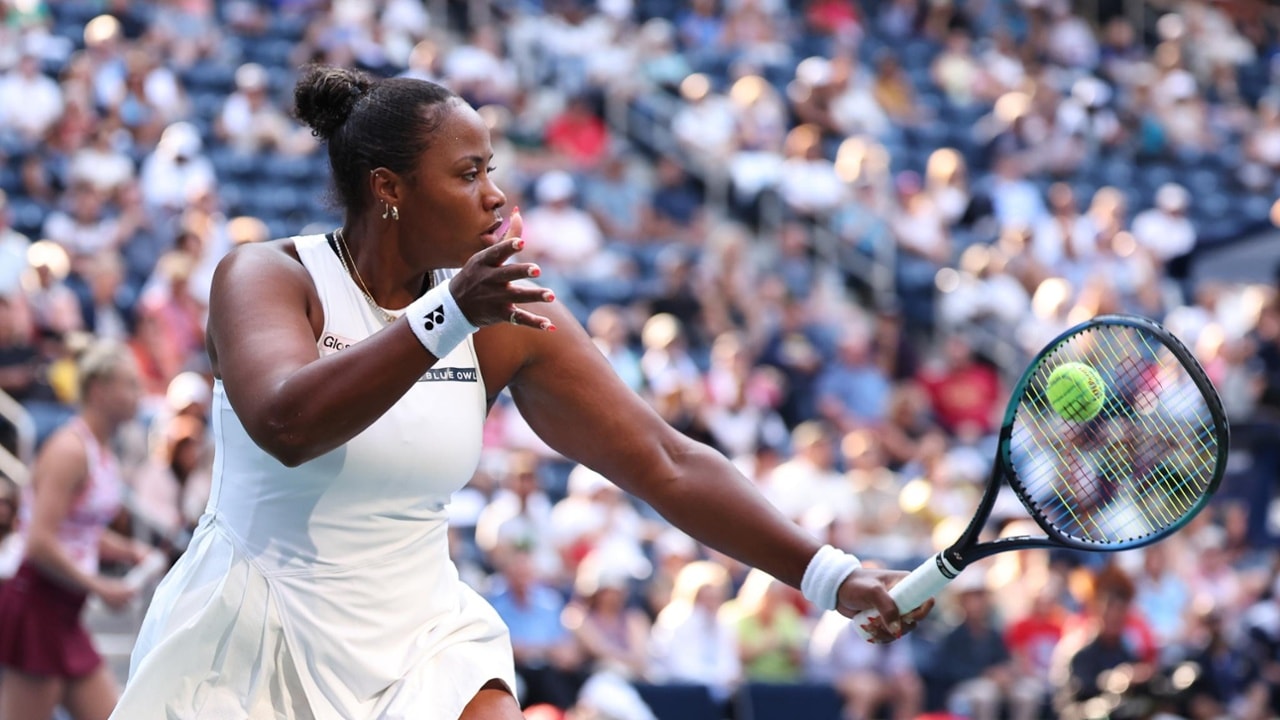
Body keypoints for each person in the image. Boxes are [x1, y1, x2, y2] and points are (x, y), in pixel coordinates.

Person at [110, 65, 931, 720]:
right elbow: (285, 422)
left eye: (491, 170)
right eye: (467, 174)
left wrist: (830, 576)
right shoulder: (268, 274)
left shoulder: (500, 313)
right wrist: (446, 316)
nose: (495, 195)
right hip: (257, 626)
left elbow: (665, 460)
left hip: (422, 636)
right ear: (389, 188)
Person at [0, 340, 152, 720]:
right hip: (37, 605)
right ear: (99, 391)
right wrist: (101, 586)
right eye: (129, 384)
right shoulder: (70, 450)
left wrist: (128, 550)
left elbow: (80, 529)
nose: (138, 394)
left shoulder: (97, 450)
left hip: (63, 609)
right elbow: (39, 542)